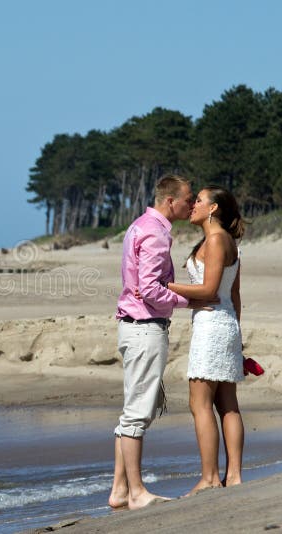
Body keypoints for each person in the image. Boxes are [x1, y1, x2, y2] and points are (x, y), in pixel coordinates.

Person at [108, 174, 195, 510]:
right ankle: (136, 492)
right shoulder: (155, 232)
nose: (191, 205)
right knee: (137, 414)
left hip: (133, 326)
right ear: (170, 201)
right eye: (188, 199)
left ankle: (120, 490)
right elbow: (149, 289)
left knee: (131, 411)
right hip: (144, 328)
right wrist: (192, 300)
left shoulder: (139, 225)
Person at [165, 185, 247, 496]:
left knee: (199, 403)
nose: (193, 205)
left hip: (212, 325)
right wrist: (236, 333)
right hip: (226, 323)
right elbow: (234, 295)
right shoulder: (227, 242)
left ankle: (210, 477)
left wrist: (166, 286)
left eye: (199, 201)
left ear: (213, 208)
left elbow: (210, 290)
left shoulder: (215, 240)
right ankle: (234, 476)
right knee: (227, 404)